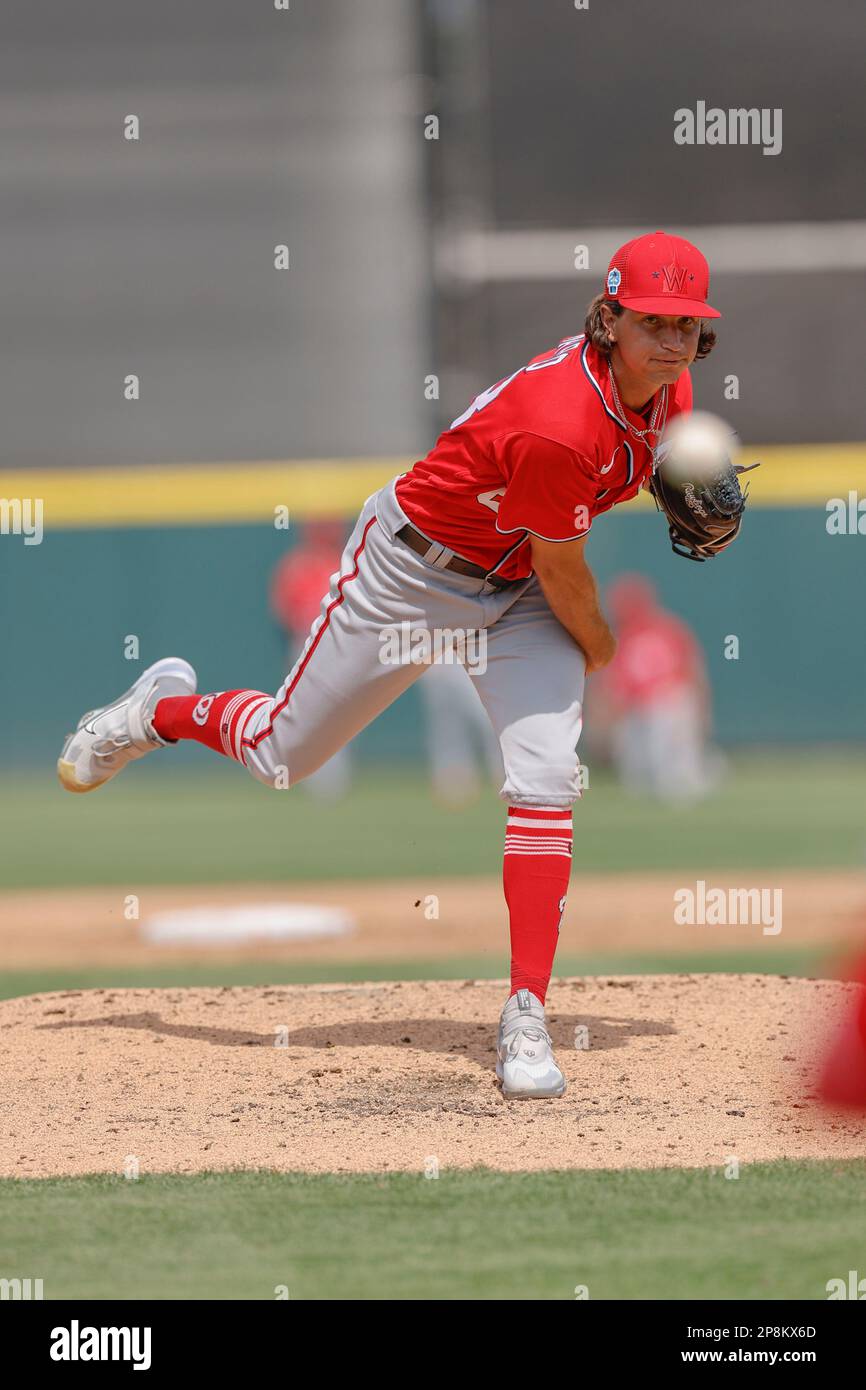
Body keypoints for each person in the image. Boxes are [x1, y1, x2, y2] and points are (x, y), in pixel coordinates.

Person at [58, 230, 720, 1099]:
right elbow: (567, 573)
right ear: (608, 317)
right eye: (652, 321)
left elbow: (608, 502)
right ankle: (155, 714)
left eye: (689, 325)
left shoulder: (669, 391)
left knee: (548, 775)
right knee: (283, 756)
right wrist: (602, 649)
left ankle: (526, 1011)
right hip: (413, 572)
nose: (672, 341)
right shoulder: (562, 423)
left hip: (515, 585)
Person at [595, 573, 720, 801]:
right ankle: (699, 770)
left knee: (676, 778)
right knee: (638, 775)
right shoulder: (619, 639)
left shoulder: (666, 629)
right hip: (640, 710)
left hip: (671, 701)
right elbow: (612, 690)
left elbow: (693, 672)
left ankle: (702, 771)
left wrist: (701, 710)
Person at [270, 521, 353, 800]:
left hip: (335, 642)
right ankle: (306, 774)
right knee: (302, 712)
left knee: (335, 712)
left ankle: (330, 779)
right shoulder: (297, 564)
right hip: (305, 639)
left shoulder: (342, 560)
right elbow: (283, 606)